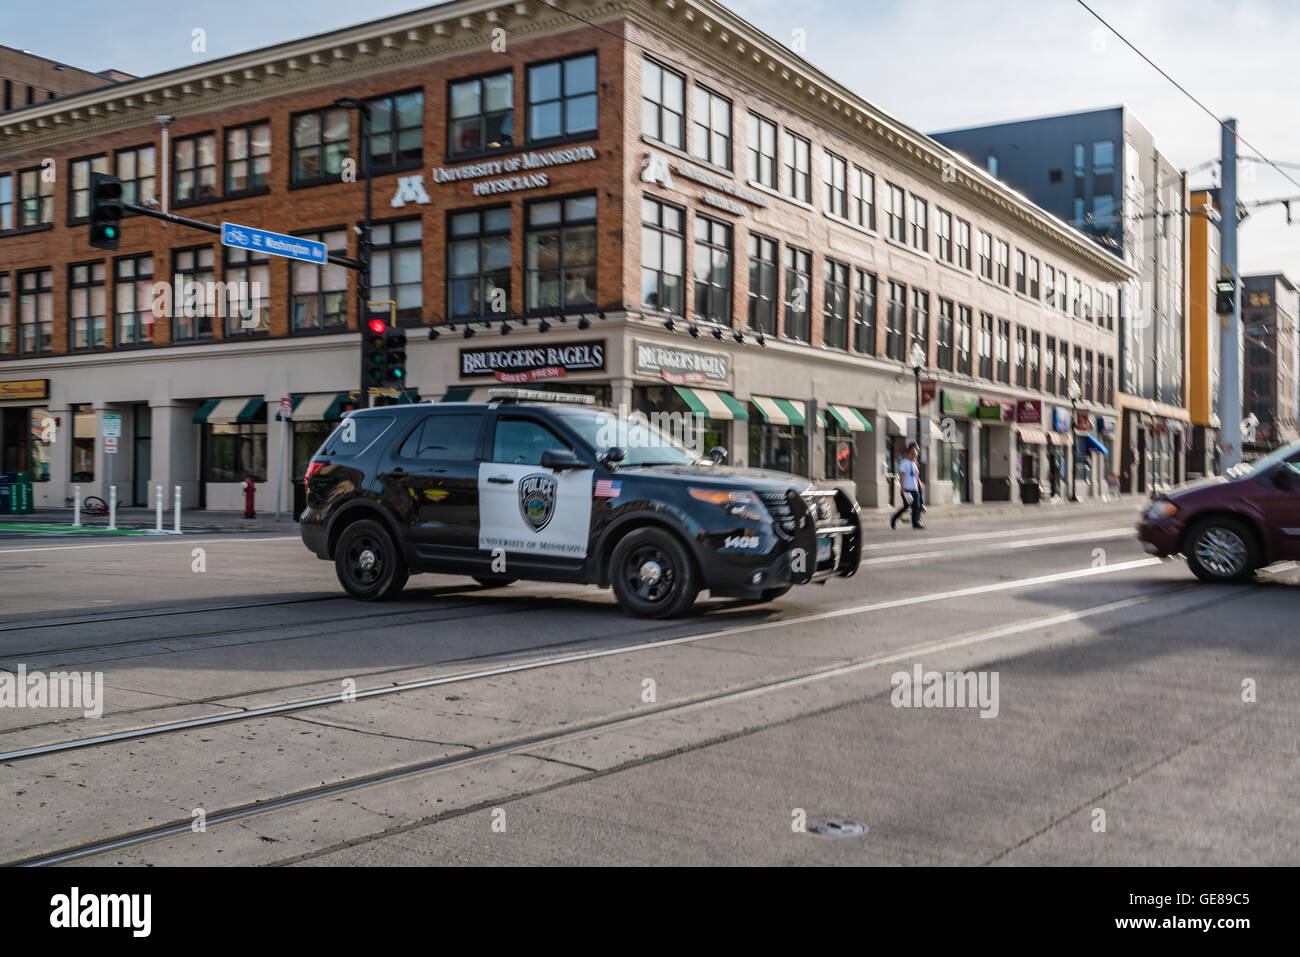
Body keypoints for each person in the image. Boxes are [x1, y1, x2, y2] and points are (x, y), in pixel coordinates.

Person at [891, 442, 925, 530]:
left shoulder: (914, 463)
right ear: (911, 451)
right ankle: (894, 517)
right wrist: (902, 488)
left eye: (917, 450)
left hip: (915, 489)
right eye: (916, 450)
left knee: (916, 506)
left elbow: (916, 475)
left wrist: (919, 482)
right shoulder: (904, 463)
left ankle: (915, 523)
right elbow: (901, 475)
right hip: (907, 489)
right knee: (906, 506)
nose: (917, 452)